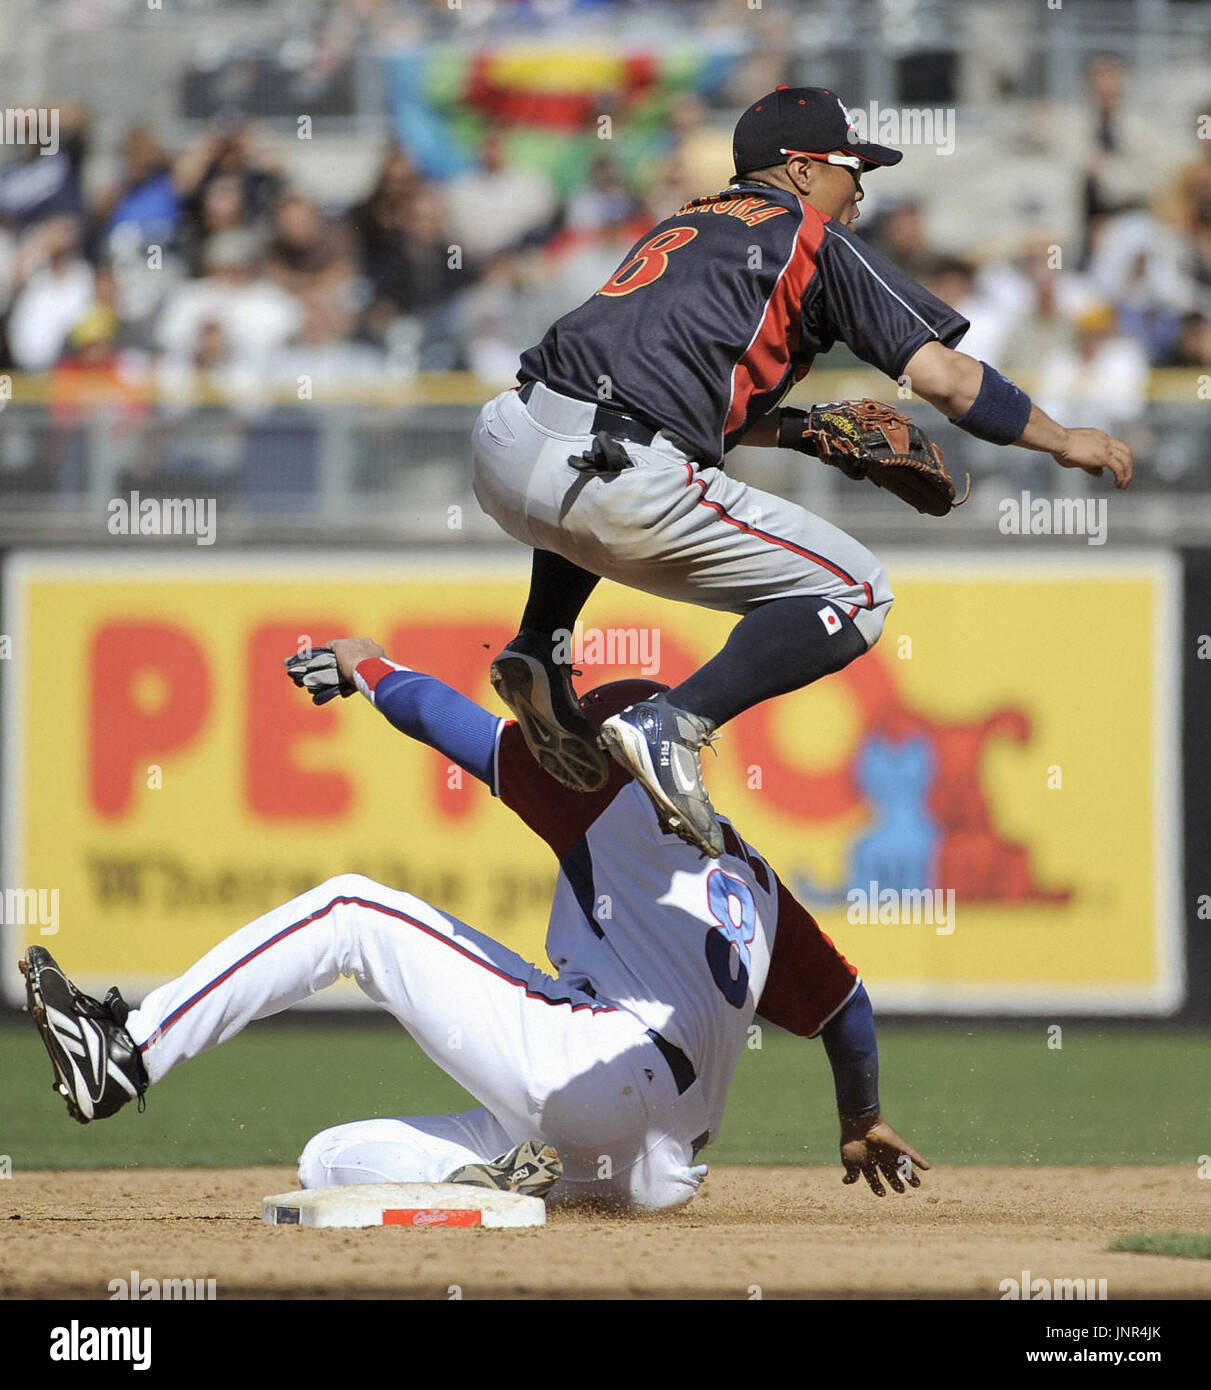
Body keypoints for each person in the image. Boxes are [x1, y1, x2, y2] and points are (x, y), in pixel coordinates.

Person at [20, 637, 927, 1212]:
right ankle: (487, 1189)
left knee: (350, 910)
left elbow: (449, 723)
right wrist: (862, 1116)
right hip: (657, 1171)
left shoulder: (604, 791)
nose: (562, 739)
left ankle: (126, 1054)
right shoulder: (758, 882)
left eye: (583, 728)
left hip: (599, 1069)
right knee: (328, 1163)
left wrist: (366, 665)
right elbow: (846, 1009)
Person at [471, 86, 1134, 860]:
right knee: (855, 591)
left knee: (590, 471)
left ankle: (541, 640)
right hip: (618, 478)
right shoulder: (812, 237)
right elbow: (947, 381)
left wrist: (805, 431)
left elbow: (651, 385)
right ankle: (671, 723)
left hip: (506, 442)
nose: (861, 187)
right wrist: (1059, 439)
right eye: (850, 167)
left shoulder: (684, 222)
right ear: (799, 171)